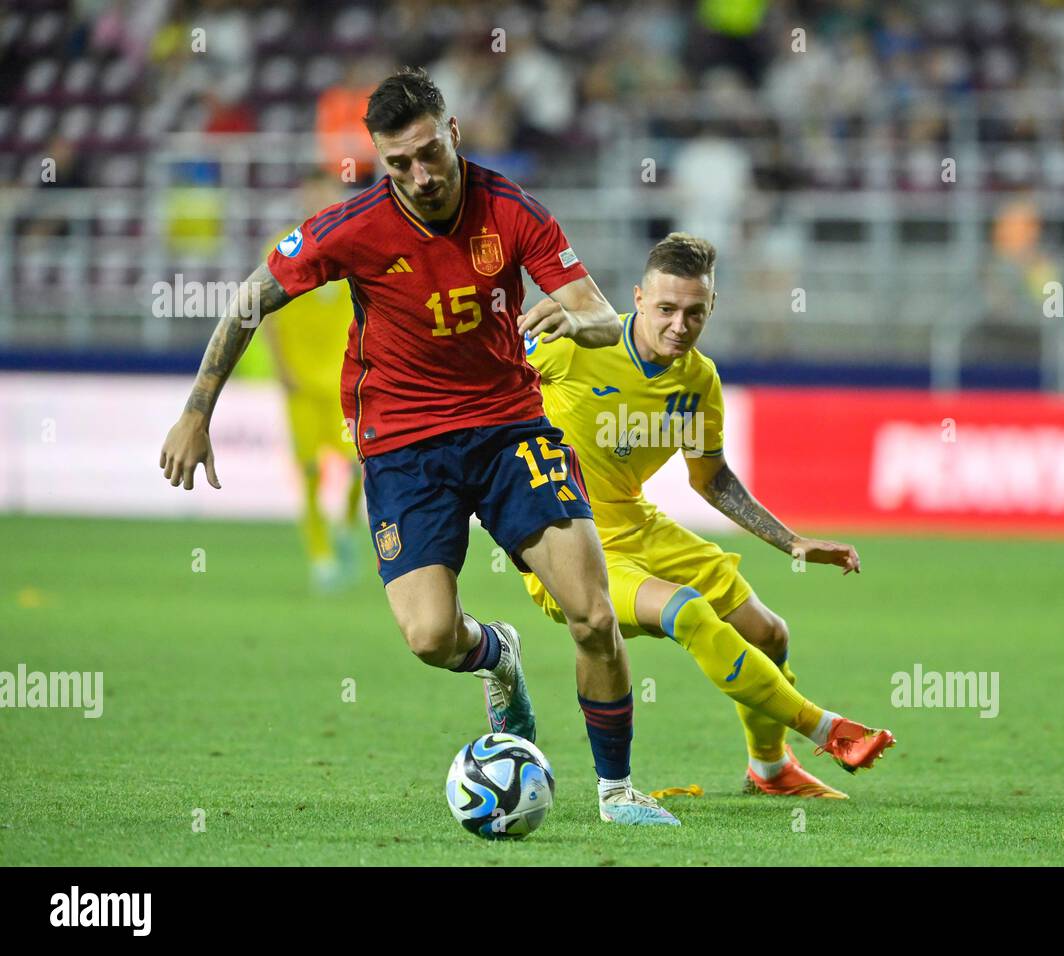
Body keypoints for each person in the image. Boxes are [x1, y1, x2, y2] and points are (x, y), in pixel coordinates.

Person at [159, 67, 679, 825]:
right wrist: (196, 413)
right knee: (432, 636)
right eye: (397, 163)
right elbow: (249, 299)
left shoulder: (511, 210)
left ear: (453, 134)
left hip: (509, 428)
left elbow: (599, 314)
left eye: (428, 153)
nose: (418, 175)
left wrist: (576, 322)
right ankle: (497, 654)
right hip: (404, 445)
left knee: (594, 614)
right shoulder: (354, 225)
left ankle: (617, 791)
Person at [522, 233, 895, 798]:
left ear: (712, 309)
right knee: (688, 612)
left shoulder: (698, 382)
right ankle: (827, 729)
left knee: (769, 633)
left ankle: (769, 770)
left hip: (638, 525)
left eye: (695, 313)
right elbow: (485, 387)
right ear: (638, 299)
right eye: (666, 309)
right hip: (568, 541)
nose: (679, 325)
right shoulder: (573, 346)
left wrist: (791, 542)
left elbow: (710, 478)